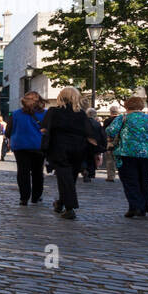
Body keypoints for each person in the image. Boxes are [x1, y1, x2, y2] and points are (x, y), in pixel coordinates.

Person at [106, 96, 148, 218]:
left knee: (130, 181)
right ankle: (144, 205)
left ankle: (136, 206)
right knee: (144, 181)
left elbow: (110, 131)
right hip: (147, 155)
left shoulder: (122, 118)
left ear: (126, 106)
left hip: (127, 154)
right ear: (141, 106)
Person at [40, 86, 98, 219]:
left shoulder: (53, 111)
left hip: (59, 148)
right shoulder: (81, 114)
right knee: (71, 178)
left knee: (64, 178)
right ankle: (61, 203)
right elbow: (89, 133)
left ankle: (70, 207)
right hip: (78, 149)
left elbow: (44, 129)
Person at [6, 92, 46, 205]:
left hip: (20, 145)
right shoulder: (45, 114)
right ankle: (36, 196)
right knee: (38, 172)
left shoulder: (15, 114)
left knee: (23, 171)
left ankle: (24, 197)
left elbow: (8, 131)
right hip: (39, 145)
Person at [82, 107, 107, 182]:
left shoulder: (83, 122)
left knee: (84, 158)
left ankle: (84, 170)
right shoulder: (97, 124)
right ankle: (91, 173)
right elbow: (102, 135)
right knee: (92, 158)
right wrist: (103, 145)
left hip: (84, 143)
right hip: (94, 144)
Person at [102, 105, 122, 182]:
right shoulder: (122, 120)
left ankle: (111, 176)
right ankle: (122, 176)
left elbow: (104, 132)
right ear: (118, 112)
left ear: (110, 112)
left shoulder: (107, 121)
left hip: (110, 142)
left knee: (110, 160)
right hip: (120, 142)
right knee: (120, 159)